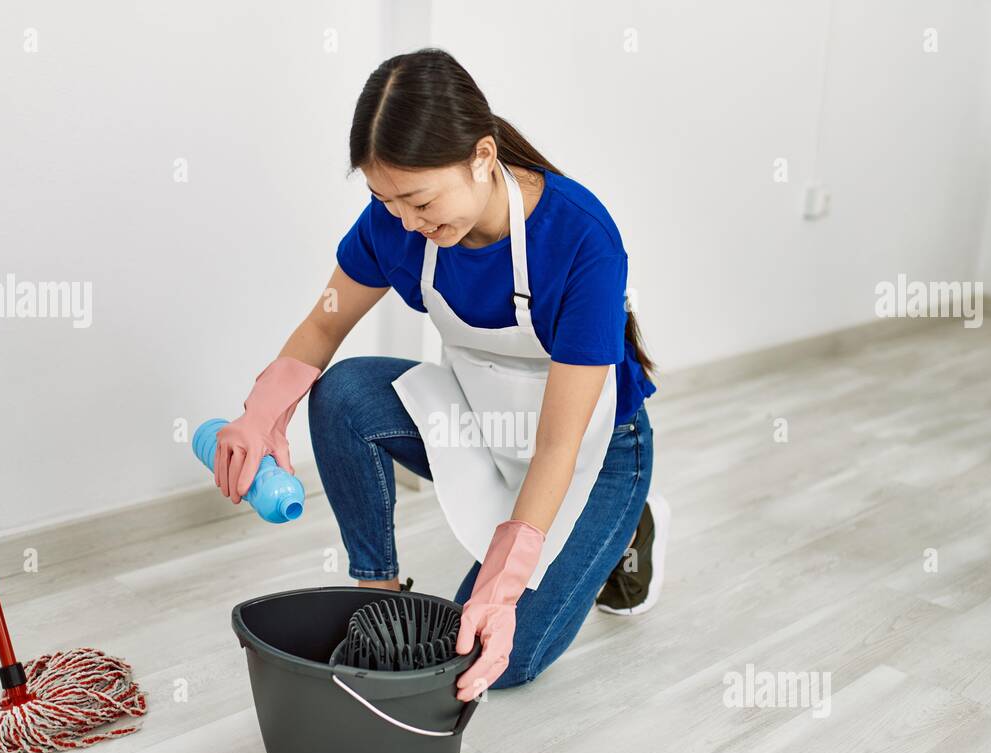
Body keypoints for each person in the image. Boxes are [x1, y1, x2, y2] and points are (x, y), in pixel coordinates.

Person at [211, 48, 668, 701]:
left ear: (483, 157)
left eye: (419, 201)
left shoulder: (580, 239)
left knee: (488, 661)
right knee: (341, 394)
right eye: (384, 199)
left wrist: (504, 585)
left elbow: (560, 446)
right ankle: (375, 594)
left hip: (590, 453)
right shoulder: (396, 224)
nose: (405, 222)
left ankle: (629, 520)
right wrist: (263, 411)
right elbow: (322, 328)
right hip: (483, 422)